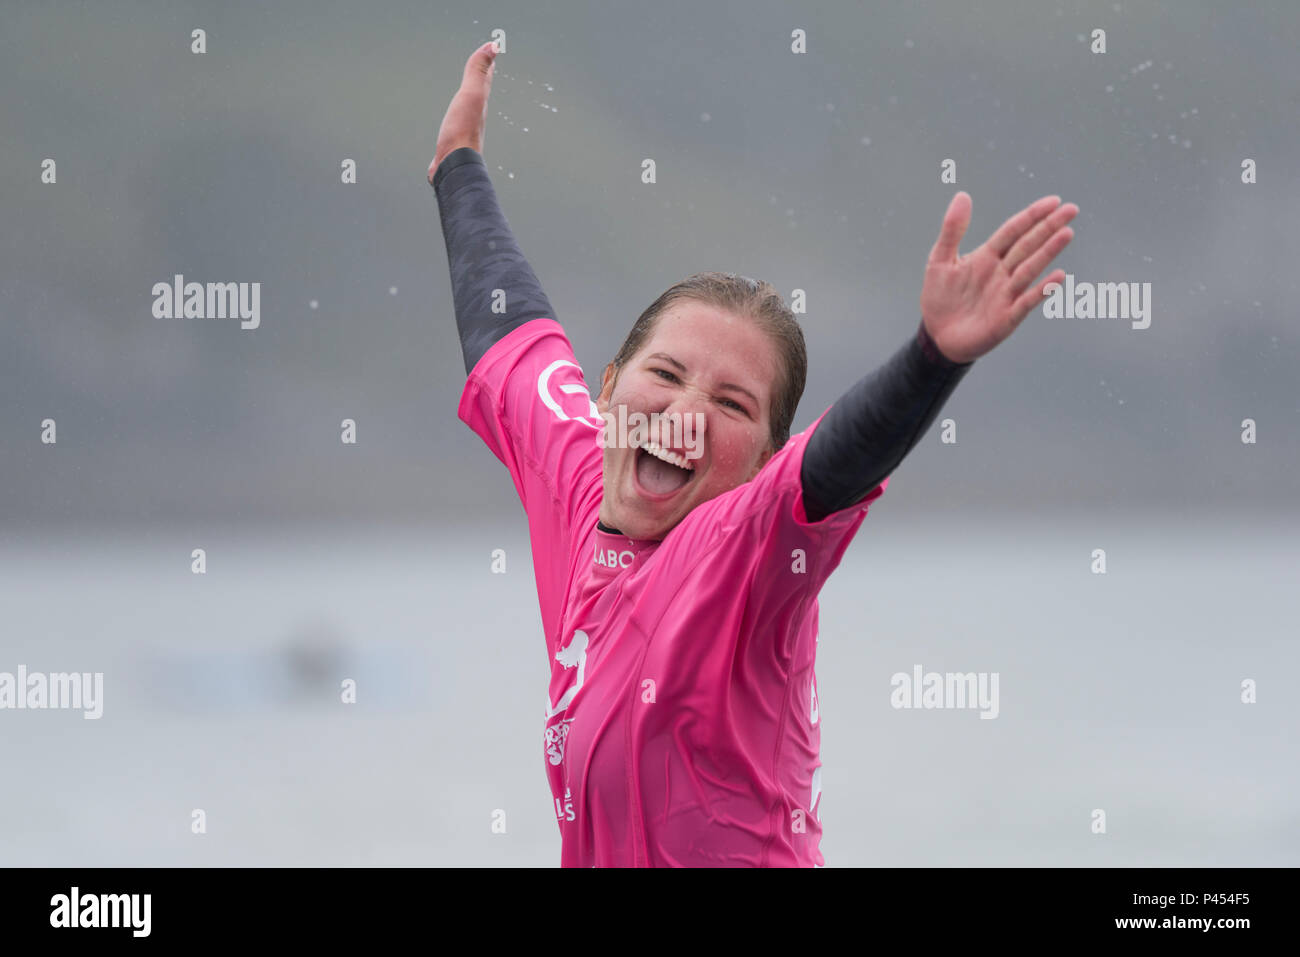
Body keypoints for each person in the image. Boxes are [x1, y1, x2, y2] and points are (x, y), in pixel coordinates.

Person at [429, 41, 1077, 866]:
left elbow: (836, 462)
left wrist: (932, 358)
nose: (686, 411)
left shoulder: (743, 551)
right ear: (608, 390)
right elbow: (507, 328)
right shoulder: (580, 465)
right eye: (665, 374)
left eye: (733, 404)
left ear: (766, 458)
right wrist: (457, 167)